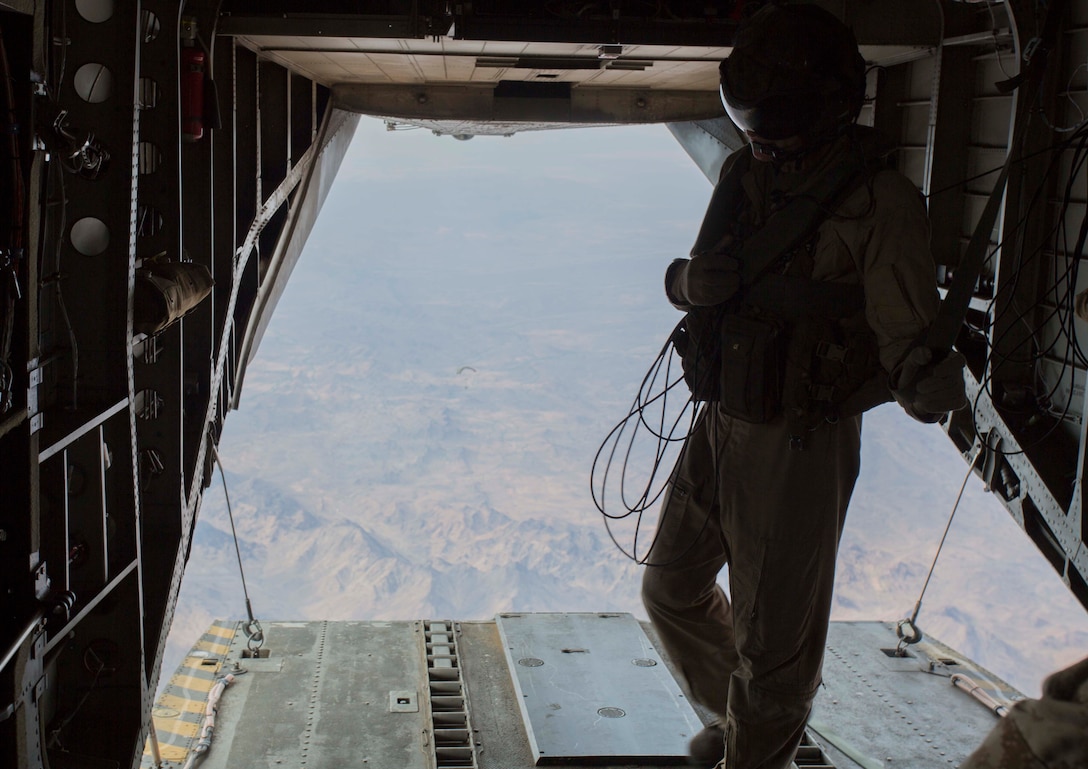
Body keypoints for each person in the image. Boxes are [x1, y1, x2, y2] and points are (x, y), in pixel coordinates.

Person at [640, 5, 968, 769]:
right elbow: (695, 280)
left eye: (772, 115)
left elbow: (905, 345)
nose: (756, 131)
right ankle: (742, 729)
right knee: (669, 590)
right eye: (744, 113)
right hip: (722, 417)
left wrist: (924, 379)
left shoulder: (877, 203)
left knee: (774, 657)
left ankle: (759, 750)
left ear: (824, 107)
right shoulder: (744, 176)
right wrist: (691, 281)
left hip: (797, 438)